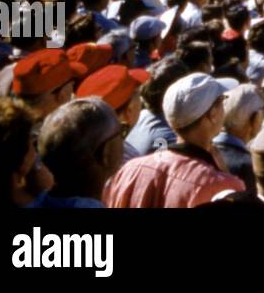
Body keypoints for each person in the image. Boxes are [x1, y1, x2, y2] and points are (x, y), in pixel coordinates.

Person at [103, 73, 244, 207]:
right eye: (221, 101)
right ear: (212, 114)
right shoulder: (222, 187)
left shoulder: (130, 169)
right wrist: (225, 177)